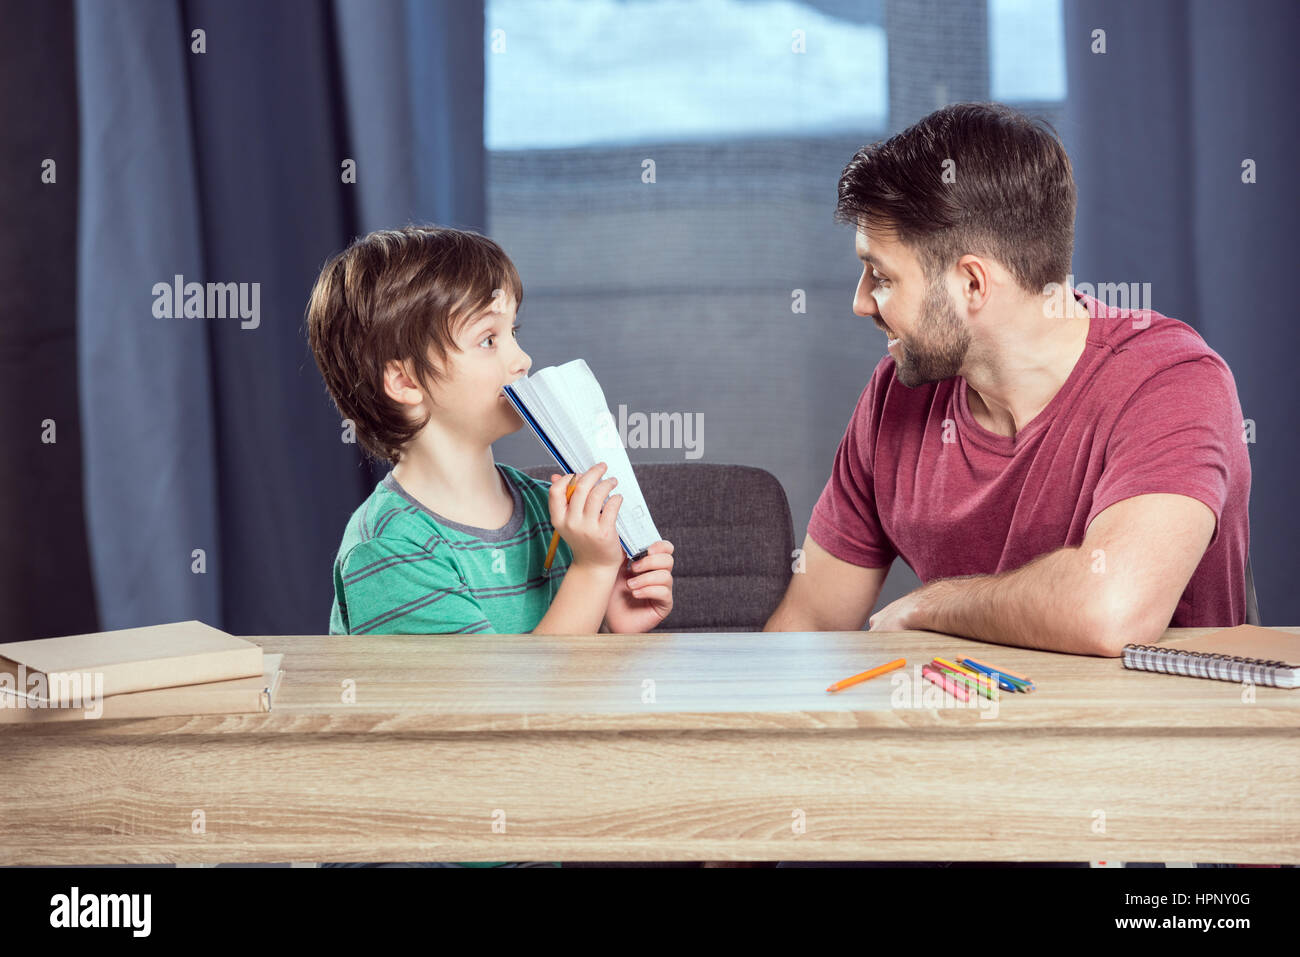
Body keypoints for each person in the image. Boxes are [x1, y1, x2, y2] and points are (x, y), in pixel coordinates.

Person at [765, 103, 1250, 656]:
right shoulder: (895, 396)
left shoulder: (1170, 383)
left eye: (881, 277)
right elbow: (811, 621)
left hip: (1143, 738)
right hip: (963, 735)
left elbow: (1110, 610)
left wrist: (929, 604)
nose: (859, 303)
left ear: (972, 284)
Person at [305, 226, 675, 867]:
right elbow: (502, 722)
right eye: (488, 339)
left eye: (515, 332)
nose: (522, 359)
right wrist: (590, 573)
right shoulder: (390, 551)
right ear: (405, 381)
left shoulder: (540, 509)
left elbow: (566, 704)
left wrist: (616, 625)